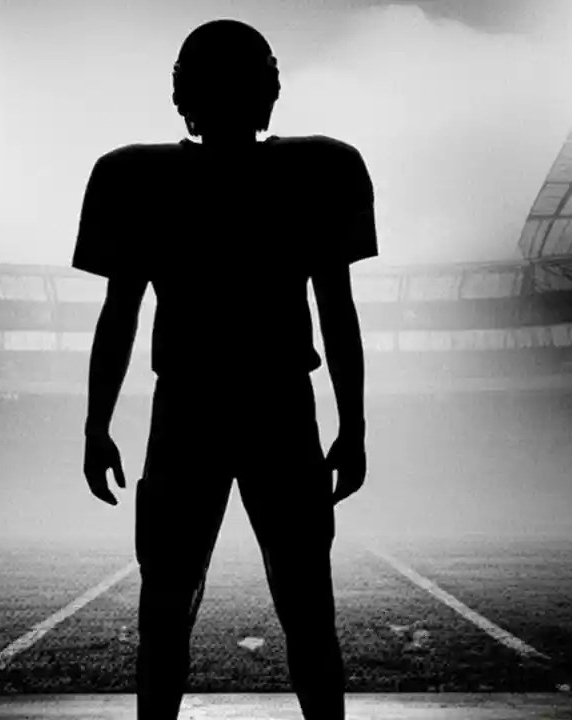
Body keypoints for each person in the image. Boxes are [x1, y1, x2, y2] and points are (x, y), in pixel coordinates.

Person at [72, 18, 376, 720]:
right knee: (304, 606)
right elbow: (336, 310)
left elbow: (120, 313)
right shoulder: (319, 171)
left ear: (183, 96)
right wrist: (353, 425)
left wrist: (96, 423)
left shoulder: (135, 177)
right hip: (276, 403)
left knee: (168, 608)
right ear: (270, 92)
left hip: (189, 405)